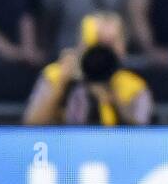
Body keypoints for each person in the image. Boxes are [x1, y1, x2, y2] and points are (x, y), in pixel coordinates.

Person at [23, 12, 153, 125]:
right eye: (97, 43)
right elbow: (31, 125)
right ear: (80, 46)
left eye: (110, 44)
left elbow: (139, 139)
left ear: (123, 48)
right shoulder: (56, 75)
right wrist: (62, 83)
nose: (102, 54)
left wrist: (114, 98)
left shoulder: (134, 87)